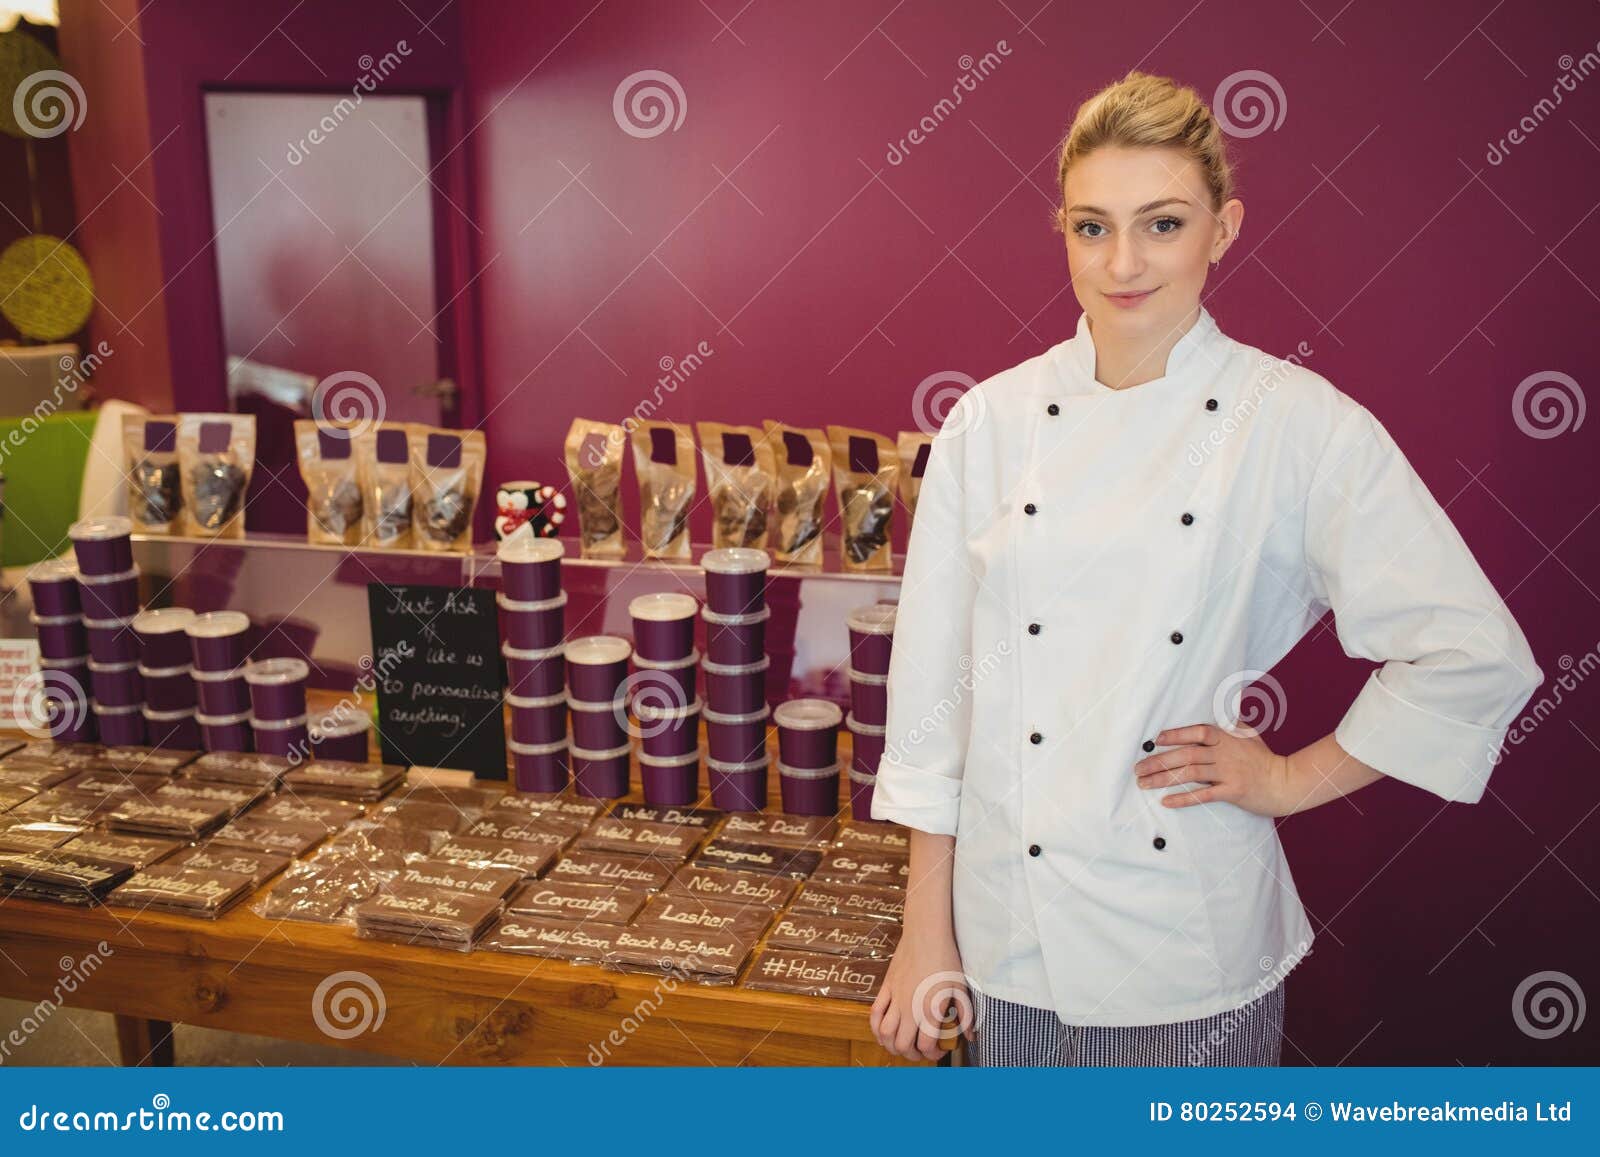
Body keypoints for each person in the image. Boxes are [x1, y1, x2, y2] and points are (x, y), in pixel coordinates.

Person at [867, 70, 1543, 1067]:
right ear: (1061, 229)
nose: (1123, 261)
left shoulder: (1294, 420)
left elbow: (1471, 650)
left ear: (1223, 228)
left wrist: (1287, 778)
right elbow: (933, 699)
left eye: (1163, 224)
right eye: (1091, 227)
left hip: (1187, 948)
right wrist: (927, 931)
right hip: (1010, 934)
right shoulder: (989, 422)